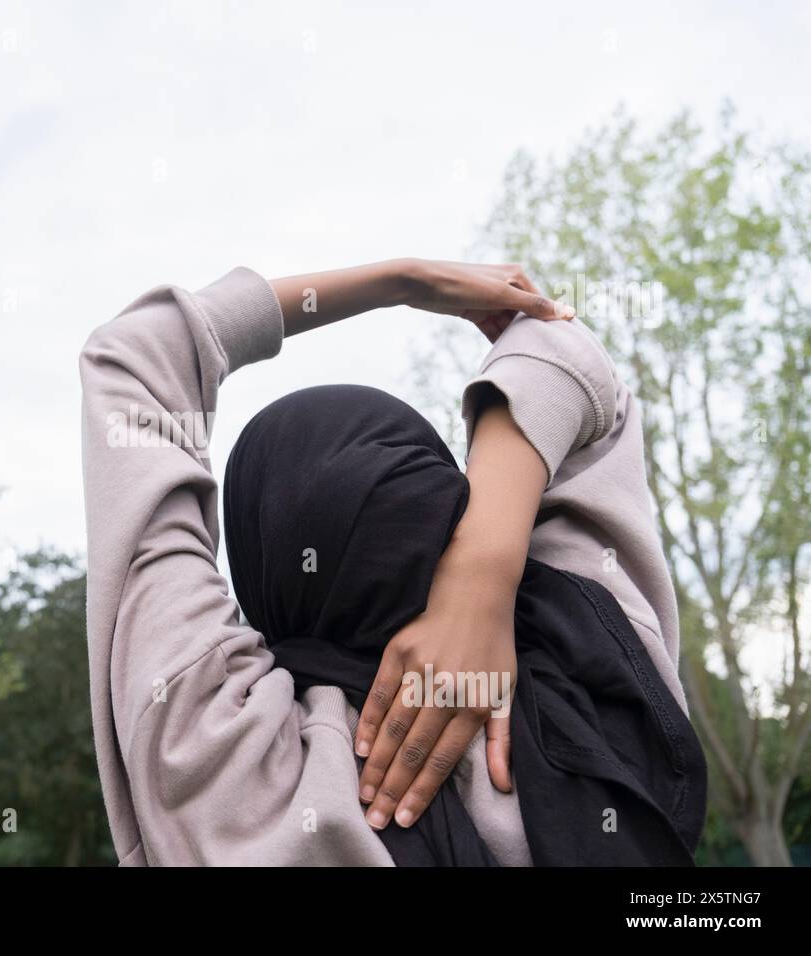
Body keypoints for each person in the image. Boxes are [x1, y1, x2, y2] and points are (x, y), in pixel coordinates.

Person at [79, 259, 705, 865]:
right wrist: (483, 572)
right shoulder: (592, 670)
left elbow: (135, 356)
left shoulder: (208, 743)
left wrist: (399, 281)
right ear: (452, 511)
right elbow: (563, 351)